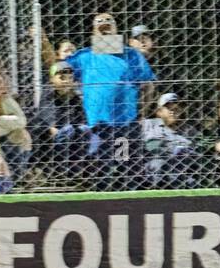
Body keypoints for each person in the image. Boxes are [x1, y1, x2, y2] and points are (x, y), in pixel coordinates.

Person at [58, 12, 155, 189]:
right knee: (100, 169)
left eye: (109, 20)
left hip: (125, 126)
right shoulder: (85, 57)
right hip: (97, 127)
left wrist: (142, 113)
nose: (104, 23)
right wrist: (43, 42)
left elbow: (148, 86)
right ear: (93, 32)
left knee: (124, 168)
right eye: (99, 22)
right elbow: (58, 70)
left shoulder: (132, 56)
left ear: (117, 30)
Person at [29, 59, 90, 179]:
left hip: (72, 138)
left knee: (85, 129)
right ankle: (62, 170)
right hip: (49, 140)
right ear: (52, 80)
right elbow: (52, 127)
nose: (67, 81)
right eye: (62, 78)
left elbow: (82, 120)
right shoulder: (49, 94)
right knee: (69, 130)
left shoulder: (75, 98)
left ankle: (79, 170)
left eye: (70, 78)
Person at [141, 91, 197, 188]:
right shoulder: (148, 125)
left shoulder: (190, 131)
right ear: (159, 112)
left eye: (176, 107)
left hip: (182, 175)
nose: (173, 111)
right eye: (168, 107)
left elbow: (199, 151)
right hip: (154, 177)